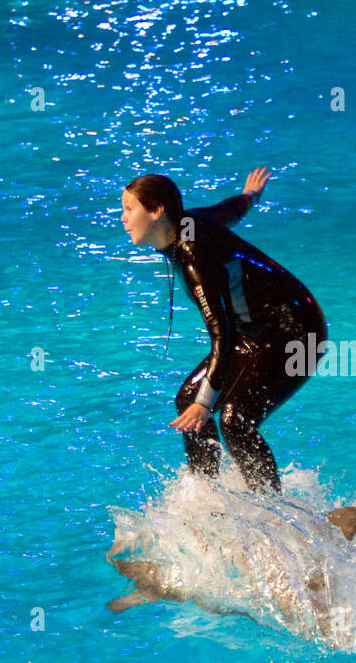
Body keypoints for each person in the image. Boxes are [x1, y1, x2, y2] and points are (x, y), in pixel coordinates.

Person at [121, 167, 327, 494]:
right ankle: (206, 494)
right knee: (189, 398)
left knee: (233, 419)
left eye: (129, 208)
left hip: (298, 334)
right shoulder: (188, 222)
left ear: (156, 210)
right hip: (257, 333)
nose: (123, 217)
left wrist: (207, 403)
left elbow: (223, 336)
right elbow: (227, 211)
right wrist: (250, 196)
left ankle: (274, 509)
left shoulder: (194, 257)